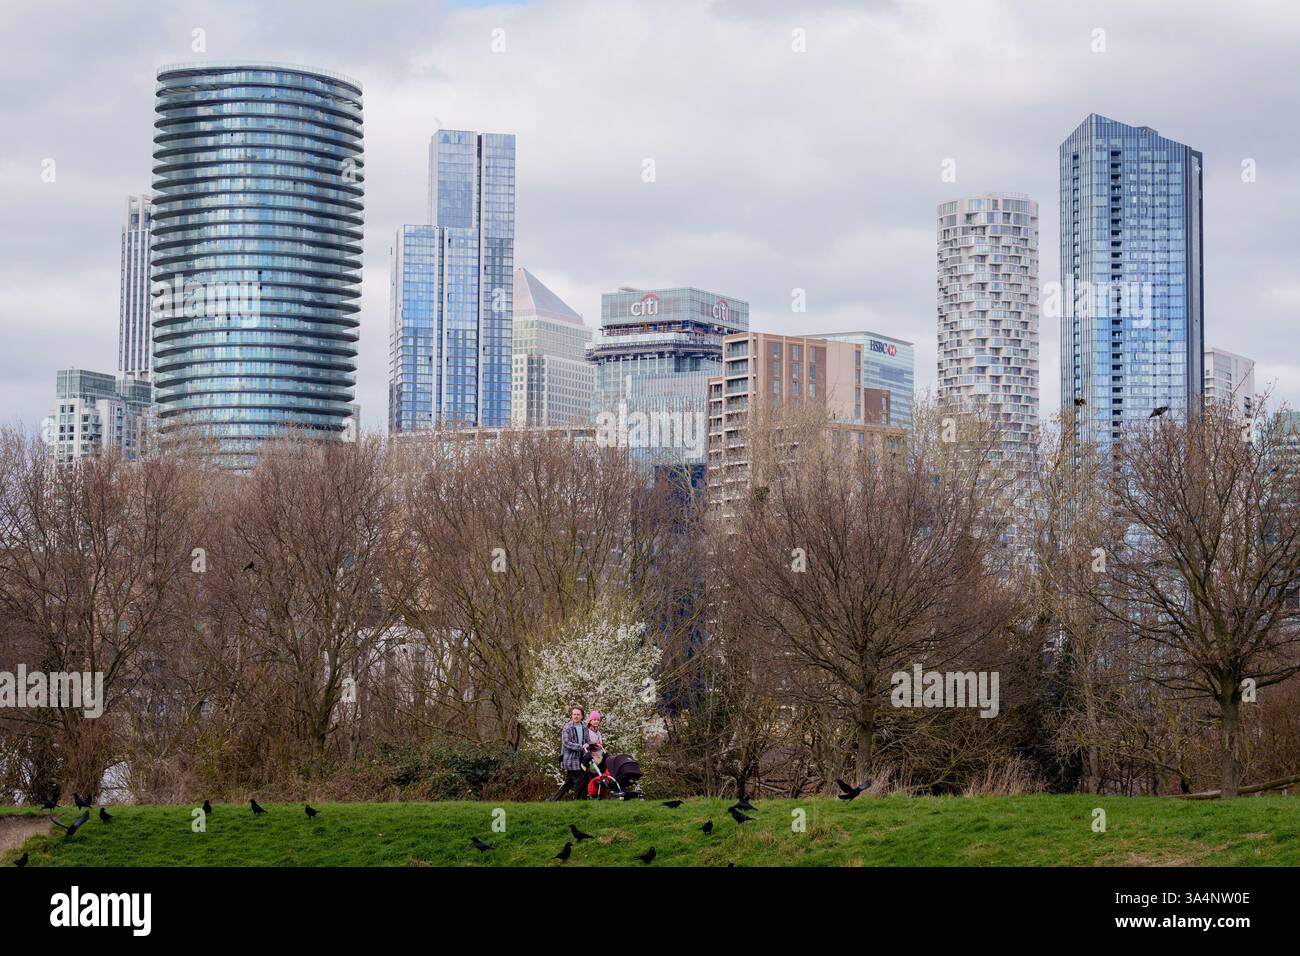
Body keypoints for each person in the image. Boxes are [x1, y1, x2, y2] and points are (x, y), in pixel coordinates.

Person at [550, 705, 590, 801]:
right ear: (571, 716)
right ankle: (576, 800)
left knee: (569, 783)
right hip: (571, 759)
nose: (576, 716)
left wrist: (589, 744)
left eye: (578, 714)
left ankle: (553, 800)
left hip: (581, 757)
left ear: (582, 716)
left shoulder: (584, 726)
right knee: (580, 779)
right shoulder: (567, 728)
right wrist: (580, 747)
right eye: (574, 714)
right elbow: (566, 743)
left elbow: (587, 740)